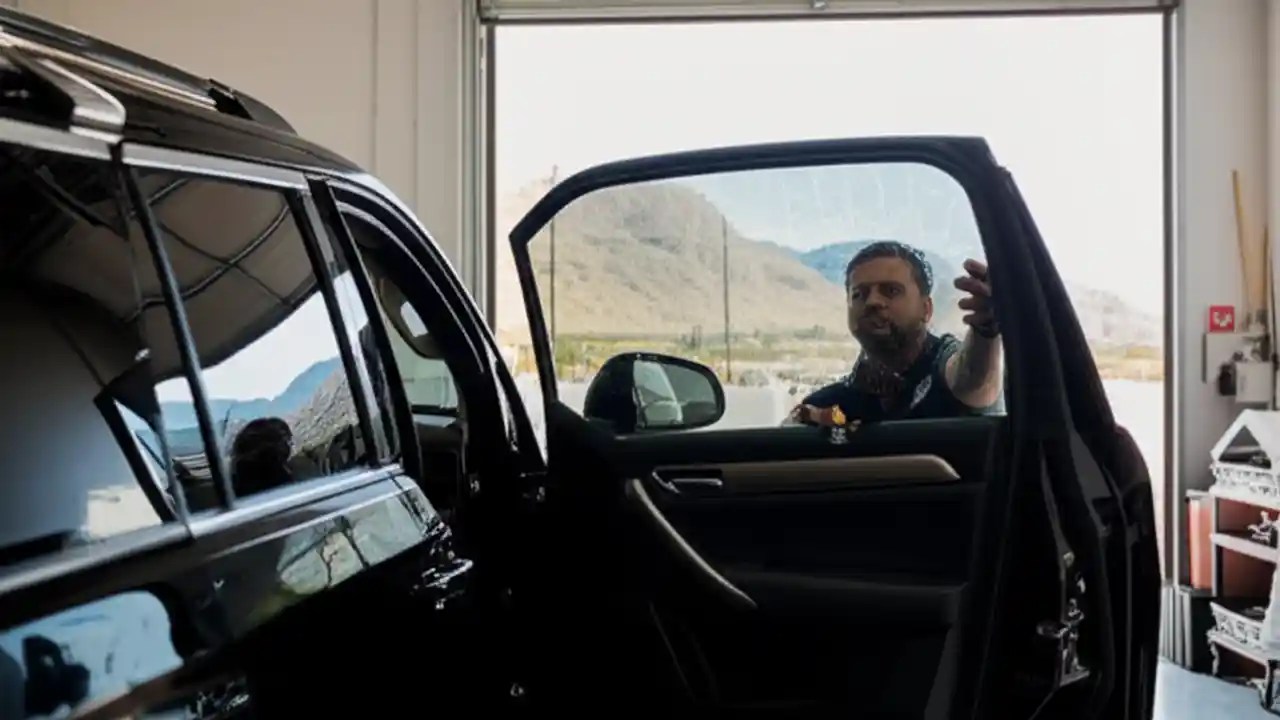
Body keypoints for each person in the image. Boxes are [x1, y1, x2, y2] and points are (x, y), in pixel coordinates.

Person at [788, 241, 1003, 425]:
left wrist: (986, 328)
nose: (872, 302)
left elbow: (974, 381)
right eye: (859, 294)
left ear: (926, 309)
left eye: (891, 291)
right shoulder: (826, 406)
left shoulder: (943, 366)